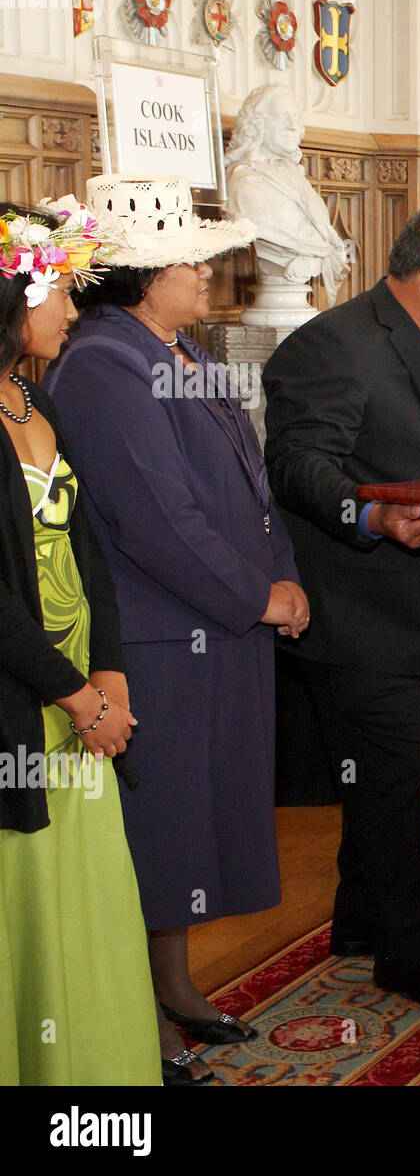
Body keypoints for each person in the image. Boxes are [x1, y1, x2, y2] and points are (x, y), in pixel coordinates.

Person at [45, 175, 306, 1085]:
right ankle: (145, 1019)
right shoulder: (103, 363)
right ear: (142, 274)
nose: (207, 269)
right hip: (168, 639)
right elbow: (157, 518)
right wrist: (254, 596)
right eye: (189, 257)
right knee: (159, 830)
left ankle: (178, 986)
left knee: (198, 824)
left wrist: (285, 578)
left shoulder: (180, 347)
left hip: (221, 626)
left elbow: (246, 482)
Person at [263, 205, 420, 1012]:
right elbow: (296, 463)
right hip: (357, 613)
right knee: (398, 782)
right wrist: (370, 517)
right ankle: (411, 951)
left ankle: (364, 919)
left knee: (393, 777)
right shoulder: (333, 344)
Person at [0, 199, 159, 1086]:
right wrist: (76, 694)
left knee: (87, 910)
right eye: (58, 291)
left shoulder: (31, 394)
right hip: (22, 712)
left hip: (79, 709)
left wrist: (111, 671)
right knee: (24, 919)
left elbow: (84, 542)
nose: (70, 310)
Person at [226, 83, 353, 305]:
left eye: (296, 116)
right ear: (258, 125)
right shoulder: (245, 183)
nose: (293, 125)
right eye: (282, 116)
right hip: (275, 301)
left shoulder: (297, 179)